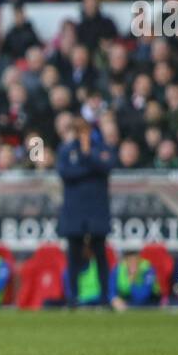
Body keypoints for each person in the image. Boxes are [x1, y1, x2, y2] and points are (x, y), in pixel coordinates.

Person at [57, 115, 115, 306]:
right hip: (74, 210)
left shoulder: (101, 148)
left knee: (100, 254)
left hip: (97, 209)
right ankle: (72, 297)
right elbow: (65, 173)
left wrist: (87, 156)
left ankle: (105, 297)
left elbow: (107, 167)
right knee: (73, 255)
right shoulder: (66, 150)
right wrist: (90, 169)